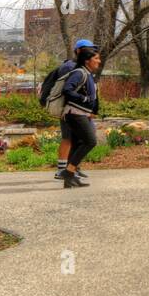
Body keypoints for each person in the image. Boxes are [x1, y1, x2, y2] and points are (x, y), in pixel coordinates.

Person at [46, 39, 97, 182]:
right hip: (70, 112)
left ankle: (72, 169)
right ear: (80, 51)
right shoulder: (70, 66)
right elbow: (67, 91)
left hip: (79, 111)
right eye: (90, 50)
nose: (94, 53)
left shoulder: (81, 67)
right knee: (68, 138)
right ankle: (62, 170)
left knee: (78, 140)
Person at [60, 44, 101, 189]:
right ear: (87, 60)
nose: (99, 61)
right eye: (96, 58)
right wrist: (84, 100)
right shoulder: (79, 72)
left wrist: (93, 110)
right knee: (91, 141)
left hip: (81, 114)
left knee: (77, 144)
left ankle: (70, 180)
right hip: (75, 114)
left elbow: (93, 96)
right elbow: (67, 90)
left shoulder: (88, 73)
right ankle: (68, 172)